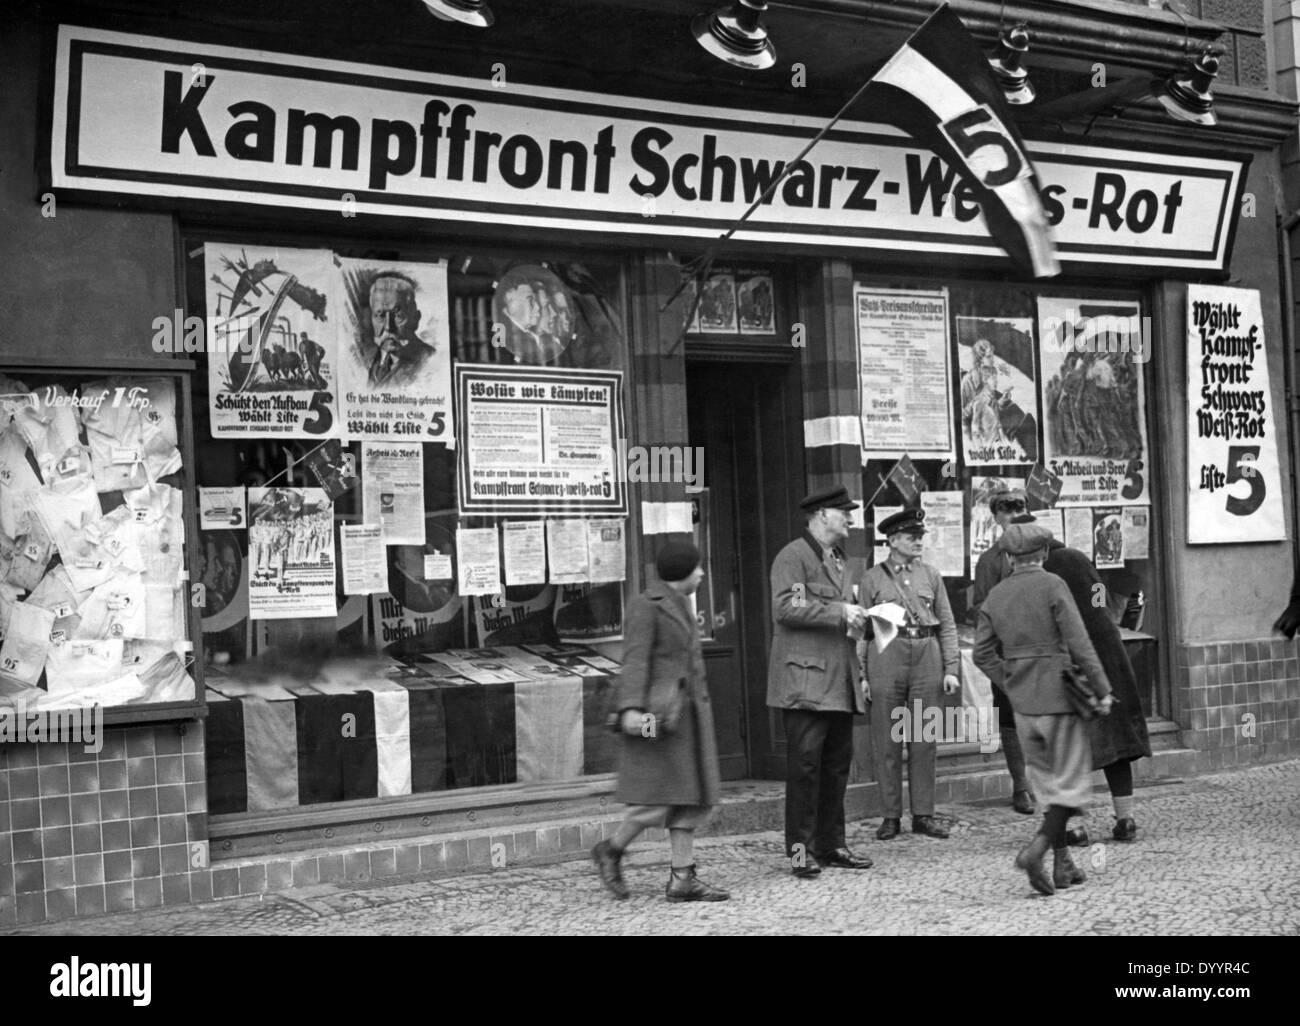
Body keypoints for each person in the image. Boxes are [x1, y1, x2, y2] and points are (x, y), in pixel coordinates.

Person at [974, 522, 1114, 896]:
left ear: (1008, 557)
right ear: (1045, 554)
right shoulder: (1053, 585)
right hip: (1059, 697)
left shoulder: (997, 595)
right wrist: (1101, 688)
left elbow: (981, 653)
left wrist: (1011, 679)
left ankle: (1063, 863)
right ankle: (1036, 851)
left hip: (1023, 706)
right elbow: (1079, 642)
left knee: (1049, 788)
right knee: (1070, 787)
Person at [591, 541, 728, 902]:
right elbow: (635, 660)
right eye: (697, 568)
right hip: (657, 719)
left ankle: (682, 879)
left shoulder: (681, 602)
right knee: (658, 797)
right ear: (683, 570)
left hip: (686, 718)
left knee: (690, 798)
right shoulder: (644, 605)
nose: (701, 573)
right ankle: (612, 849)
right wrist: (632, 710)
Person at [1008, 512, 1152, 843]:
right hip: (1108, 654)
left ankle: (1075, 827)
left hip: (1069, 664)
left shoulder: (1038, 573)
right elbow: (1098, 601)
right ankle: (1126, 819)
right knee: (1116, 742)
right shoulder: (1076, 557)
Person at [766, 485, 873, 878]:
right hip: (805, 684)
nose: (849, 518)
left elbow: (838, 614)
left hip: (839, 681)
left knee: (834, 769)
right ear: (821, 516)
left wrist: (861, 620)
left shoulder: (842, 560)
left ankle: (831, 845)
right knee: (805, 769)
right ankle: (800, 853)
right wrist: (841, 611)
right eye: (843, 512)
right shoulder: (794, 557)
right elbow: (788, 605)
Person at [861, 508, 961, 840]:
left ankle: (923, 814)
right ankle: (890, 816)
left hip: (925, 656)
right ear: (892, 541)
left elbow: (946, 624)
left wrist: (951, 668)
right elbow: (863, 633)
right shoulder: (872, 578)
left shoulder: (931, 575)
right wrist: (862, 675)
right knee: (887, 740)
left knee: (923, 739)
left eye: (920, 537)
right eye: (910, 537)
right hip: (886, 656)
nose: (918, 542)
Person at [970, 487, 1036, 815]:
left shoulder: (1042, 550)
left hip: (1040, 651)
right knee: (1010, 721)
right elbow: (980, 607)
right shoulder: (989, 561)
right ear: (996, 517)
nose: (1013, 515)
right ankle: (1021, 786)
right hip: (1006, 653)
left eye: (1019, 508)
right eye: (1006, 510)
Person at [366, 273, 434, 387]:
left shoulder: (429, 361)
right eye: (380, 315)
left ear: (415, 319)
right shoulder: (371, 359)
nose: (388, 327)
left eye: (398, 315)